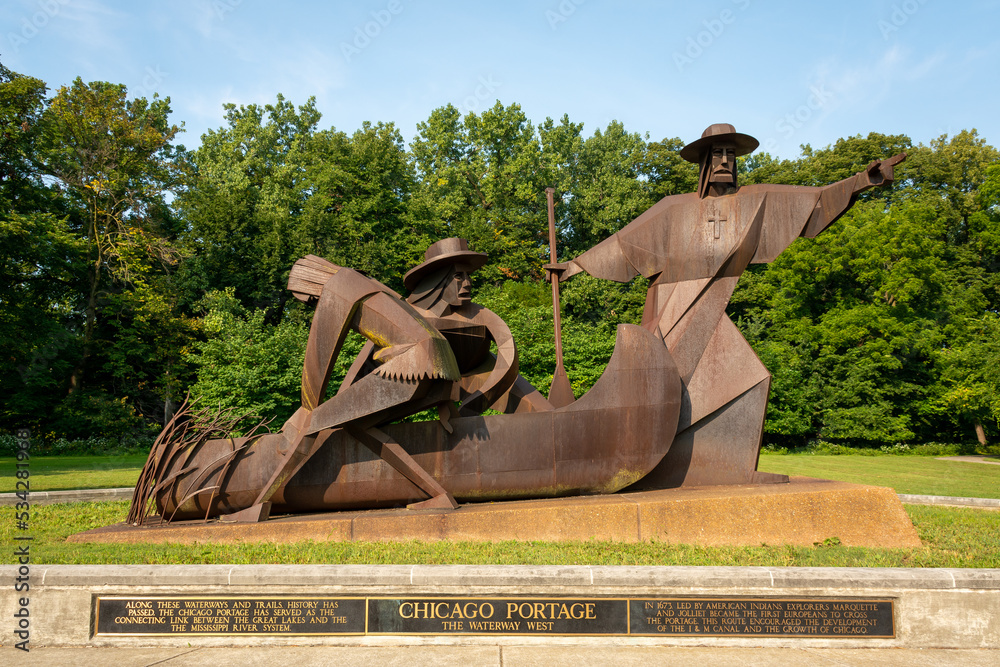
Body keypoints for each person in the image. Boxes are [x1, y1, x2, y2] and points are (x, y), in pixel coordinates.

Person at [546, 123, 905, 488]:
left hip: (713, 302)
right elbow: (626, 245)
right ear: (703, 161)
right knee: (675, 386)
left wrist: (863, 180)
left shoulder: (755, 201)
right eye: (717, 154)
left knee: (750, 379)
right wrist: (574, 266)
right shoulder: (674, 210)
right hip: (673, 305)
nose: (724, 161)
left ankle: (728, 467)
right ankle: (662, 461)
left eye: (730, 155)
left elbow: (812, 202)